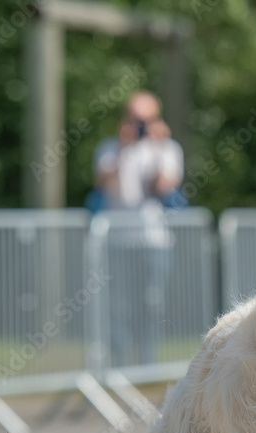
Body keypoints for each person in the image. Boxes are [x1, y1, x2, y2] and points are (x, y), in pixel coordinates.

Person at [89, 91, 185, 368]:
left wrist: (156, 147)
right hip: (117, 241)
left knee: (151, 305)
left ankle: (147, 364)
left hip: (153, 241)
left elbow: (165, 187)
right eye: (135, 118)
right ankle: (119, 365)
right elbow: (103, 183)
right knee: (117, 307)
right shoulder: (110, 149)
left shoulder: (167, 149)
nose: (141, 125)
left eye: (147, 119)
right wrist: (124, 148)